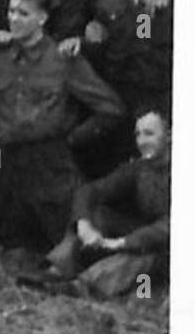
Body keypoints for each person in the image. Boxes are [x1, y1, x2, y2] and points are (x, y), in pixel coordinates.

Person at [0, 0, 126, 250]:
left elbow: (111, 109)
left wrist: (71, 139)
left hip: (48, 161)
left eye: (23, 13)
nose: (14, 18)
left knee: (61, 236)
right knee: (0, 230)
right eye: (11, 11)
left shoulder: (63, 60)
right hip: (3, 156)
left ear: (42, 18)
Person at [31, 111, 170, 297]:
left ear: (170, 136)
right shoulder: (140, 167)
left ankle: (83, 286)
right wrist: (84, 224)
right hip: (147, 233)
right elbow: (91, 191)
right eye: (138, 134)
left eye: (149, 134)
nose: (142, 142)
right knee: (98, 214)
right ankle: (57, 269)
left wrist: (123, 242)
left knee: (143, 255)